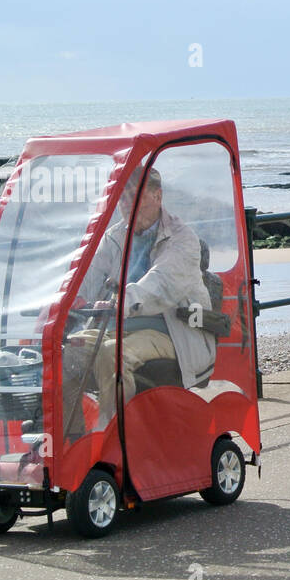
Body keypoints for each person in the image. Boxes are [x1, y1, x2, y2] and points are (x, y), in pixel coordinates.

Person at [64, 168, 216, 437]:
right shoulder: (115, 236)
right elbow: (88, 277)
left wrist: (119, 302)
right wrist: (64, 299)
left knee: (111, 352)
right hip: (115, 327)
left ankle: (111, 436)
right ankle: (71, 440)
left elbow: (159, 284)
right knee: (63, 352)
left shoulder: (183, 240)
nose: (126, 205)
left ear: (158, 196)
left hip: (171, 331)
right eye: (122, 198)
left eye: (134, 197)